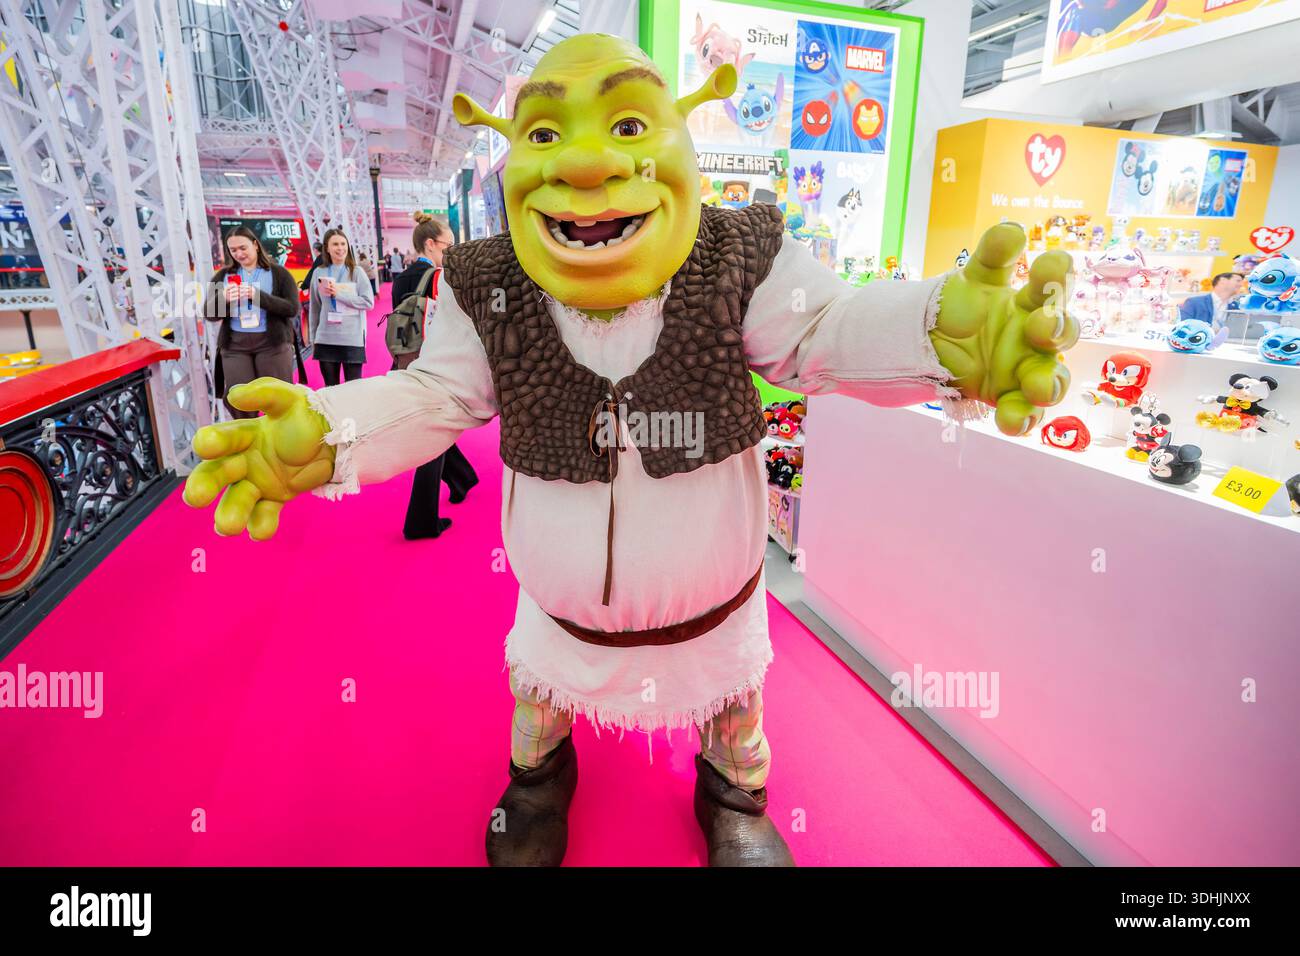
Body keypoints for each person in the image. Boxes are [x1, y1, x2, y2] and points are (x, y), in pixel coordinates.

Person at [182, 35, 1078, 867]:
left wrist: (931, 331)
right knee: (539, 701)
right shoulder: (485, 281)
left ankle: (735, 793)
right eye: (545, 131)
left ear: (682, 140)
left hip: (715, 607)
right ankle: (539, 778)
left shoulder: (739, 253)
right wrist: (331, 433)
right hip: (559, 611)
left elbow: (826, 332)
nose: (584, 163)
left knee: (734, 707)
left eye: (625, 124)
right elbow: (439, 394)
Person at [389, 211, 478, 539]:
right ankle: (421, 520)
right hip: (438, 365)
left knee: (431, 429)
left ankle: (462, 478)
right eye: (449, 244)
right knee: (433, 437)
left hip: (407, 362)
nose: (452, 250)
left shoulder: (402, 278)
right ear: (431, 244)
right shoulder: (440, 278)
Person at [204, 225, 301, 419]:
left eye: (243, 248)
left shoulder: (279, 274)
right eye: (233, 250)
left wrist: (257, 296)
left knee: (278, 398)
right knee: (240, 399)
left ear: (255, 245)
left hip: (272, 344)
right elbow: (209, 313)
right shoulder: (222, 277)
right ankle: (249, 442)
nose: (239, 254)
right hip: (235, 346)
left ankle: (281, 442)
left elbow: (292, 308)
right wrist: (224, 299)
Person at [308, 227, 374, 387]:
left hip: (352, 338)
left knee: (353, 389)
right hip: (326, 339)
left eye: (343, 244)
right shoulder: (319, 273)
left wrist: (339, 294)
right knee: (330, 389)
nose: (340, 248)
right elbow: (315, 308)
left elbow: (368, 302)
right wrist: (312, 338)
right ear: (327, 248)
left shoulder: (357, 272)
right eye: (335, 244)